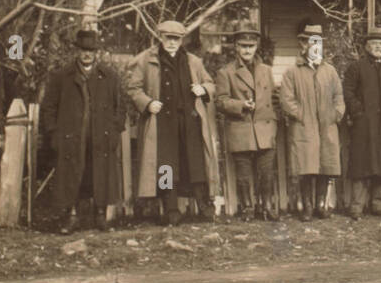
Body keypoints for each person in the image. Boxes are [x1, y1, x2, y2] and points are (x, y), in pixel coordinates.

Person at [126, 19, 220, 225]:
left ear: (181, 40)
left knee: (195, 162)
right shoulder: (146, 60)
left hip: (189, 120)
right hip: (162, 122)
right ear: (160, 37)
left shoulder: (193, 61)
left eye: (176, 39)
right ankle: (170, 208)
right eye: (168, 38)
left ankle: (204, 206)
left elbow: (211, 84)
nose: (172, 43)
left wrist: (203, 89)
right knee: (166, 165)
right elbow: (133, 88)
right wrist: (148, 103)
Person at [39, 29, 126, 234]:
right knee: (72, 177)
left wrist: (114, 131)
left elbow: (120, 108)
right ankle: (71, 217)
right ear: (76, 51)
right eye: (83, 50)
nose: (87, 54)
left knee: (98, 175)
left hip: (100, 138)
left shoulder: (110, 77)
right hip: (72, 139)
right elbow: (49, 108)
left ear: (97, 52)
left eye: (91, 50)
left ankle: (100, 216)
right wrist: (53, 134)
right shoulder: (62, 76)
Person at [278, 21, 345, 220]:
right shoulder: (293, 72)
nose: (314, 47)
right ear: (303, 45)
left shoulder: (330, 71)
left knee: (326, 166)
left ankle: (321, 205)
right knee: (306, 168)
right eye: (310, 42)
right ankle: (306, 207)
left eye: (318, 43)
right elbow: (286, 100)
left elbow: (339, 98)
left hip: (326, 126)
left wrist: (335, 115)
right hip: (304, 127)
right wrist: (301, 115)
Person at [214, 26, 278, 221]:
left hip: (264, 129)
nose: (247, 50)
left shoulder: (266, 70)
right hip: (240, 128)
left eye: (251, 46)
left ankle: (266, 206)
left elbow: (274, 97)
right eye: (243, 46)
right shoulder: (226, 72)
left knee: (266, 172)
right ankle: (247, 208)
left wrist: (275, 119)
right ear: (236, 47)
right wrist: (241, 105)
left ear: (256, 46)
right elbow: (220, 101)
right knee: (243, 174)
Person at [342, 29, 381, 220]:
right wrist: (358, 113)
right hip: (364, 125)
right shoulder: (357, 67)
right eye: (374, 43)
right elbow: (348, 92)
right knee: (361, 164)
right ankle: (356, 207)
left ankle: (378, 205)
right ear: (367, 47)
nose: (378, 47)